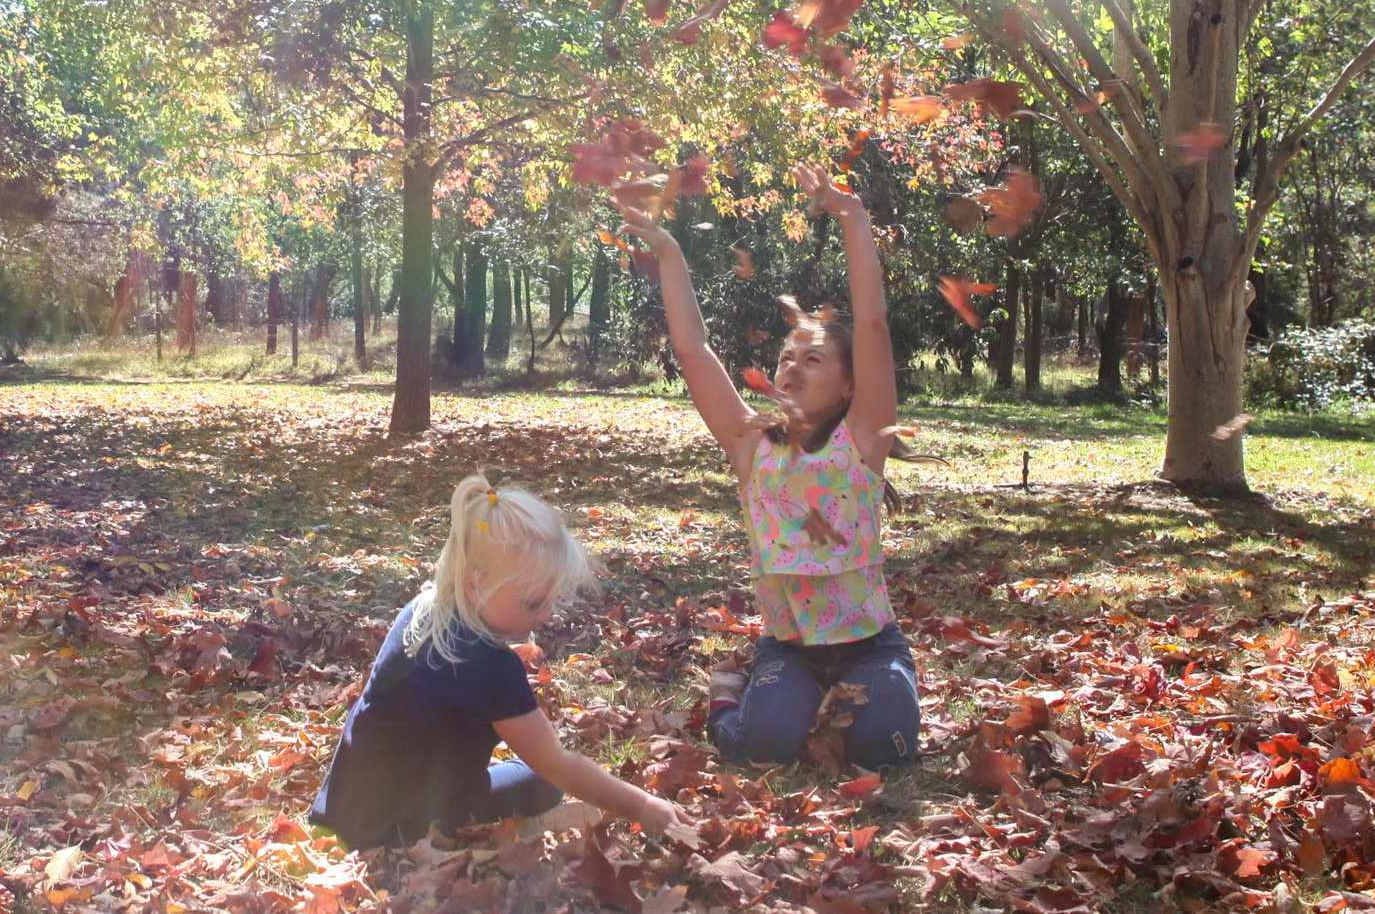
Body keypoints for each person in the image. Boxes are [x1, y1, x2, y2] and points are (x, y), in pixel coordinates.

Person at [616, 164, 920, 770]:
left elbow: (874, 324)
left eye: (813, 358)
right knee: (764, 749)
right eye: (786, 357)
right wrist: (671, 255)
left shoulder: (864, 439)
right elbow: (693, 350)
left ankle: (853, 710)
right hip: (789, 647)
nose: (791, 367)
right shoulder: (750, 446)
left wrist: (851, 217)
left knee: (884, 754)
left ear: (849, 383)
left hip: (871, 648)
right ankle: (731, 701)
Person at [311, 475, 691, 848]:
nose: (544, 616)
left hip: (344, 814)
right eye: (531, 603)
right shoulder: (489, 667)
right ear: (476, 586)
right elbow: (555, 764)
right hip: (399, 831)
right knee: (547, 782)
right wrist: (642, 805)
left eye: (550, 600)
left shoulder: (423, 611)